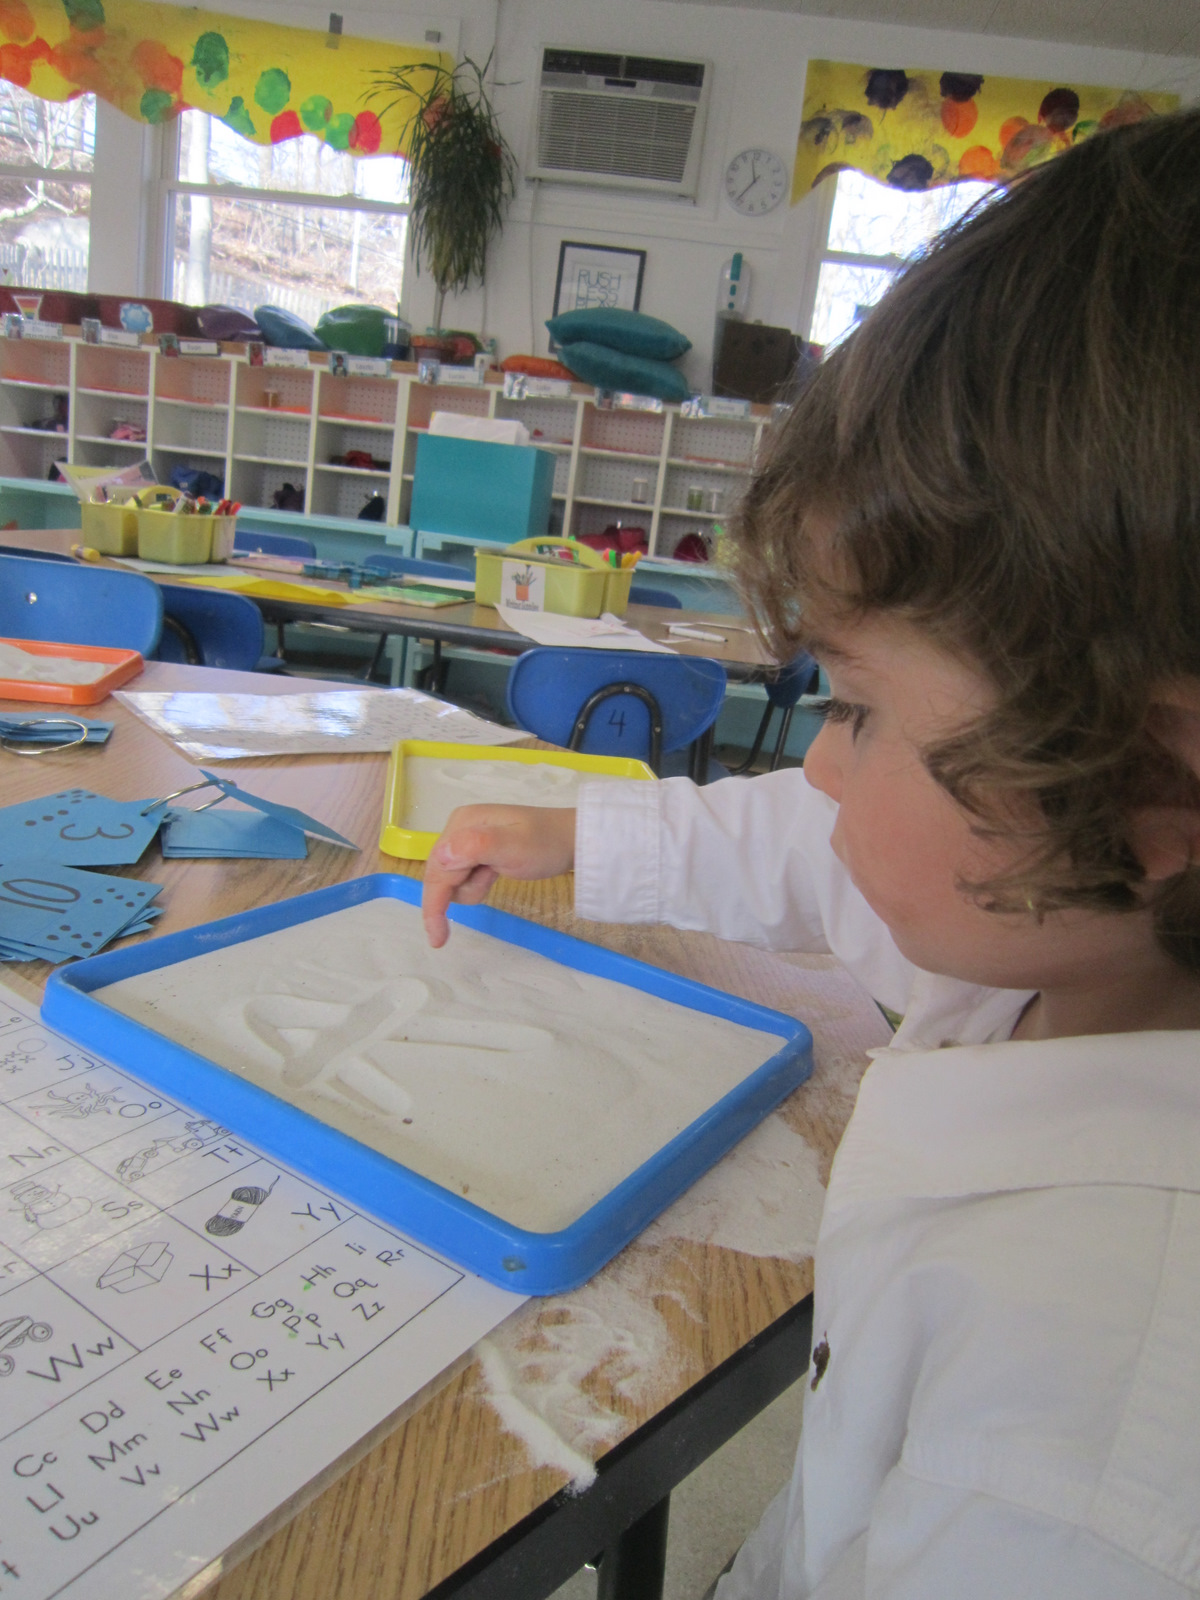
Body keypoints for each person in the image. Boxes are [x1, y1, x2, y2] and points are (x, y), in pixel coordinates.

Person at [421, 109, 1200, 1599]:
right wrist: (575, 831)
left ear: (1156, 781)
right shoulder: (1086, 924)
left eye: (854, 707)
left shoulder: (1086, 1453)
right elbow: (819, 845)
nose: (820, 768)